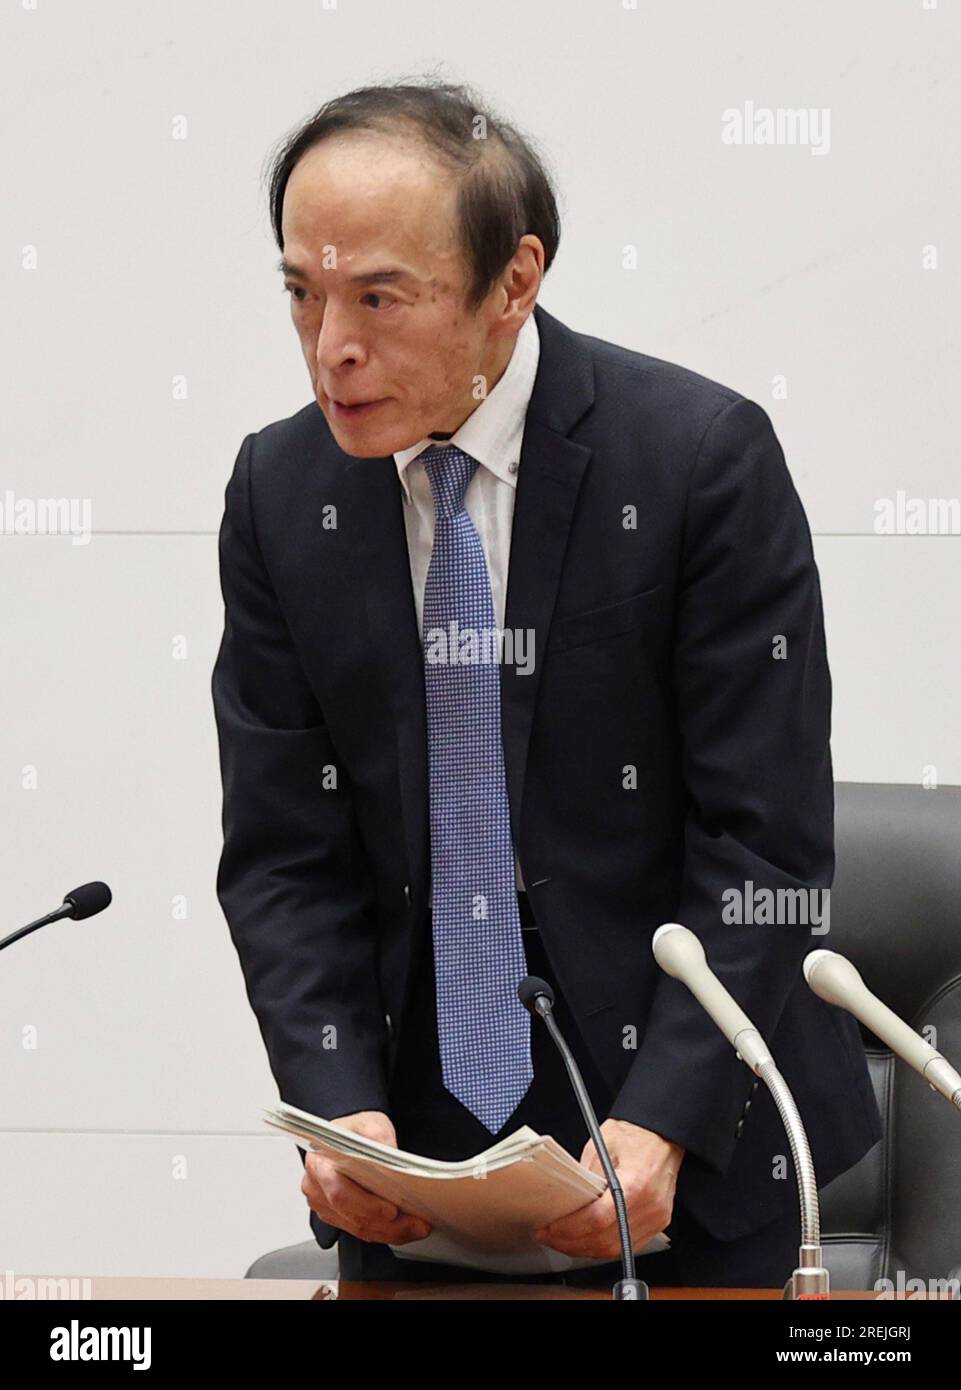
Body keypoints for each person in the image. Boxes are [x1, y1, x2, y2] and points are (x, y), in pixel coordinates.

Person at [211, 79, 882, 1289]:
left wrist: (662, 1117)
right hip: (415, 1180)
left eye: (378, 297)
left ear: (512, 283)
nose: (331, 349)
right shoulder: (279, 493)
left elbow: (765, 841)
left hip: (688, 1161)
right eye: (301, 296)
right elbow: (282, 850)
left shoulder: (693, 463)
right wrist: (338, 1107)